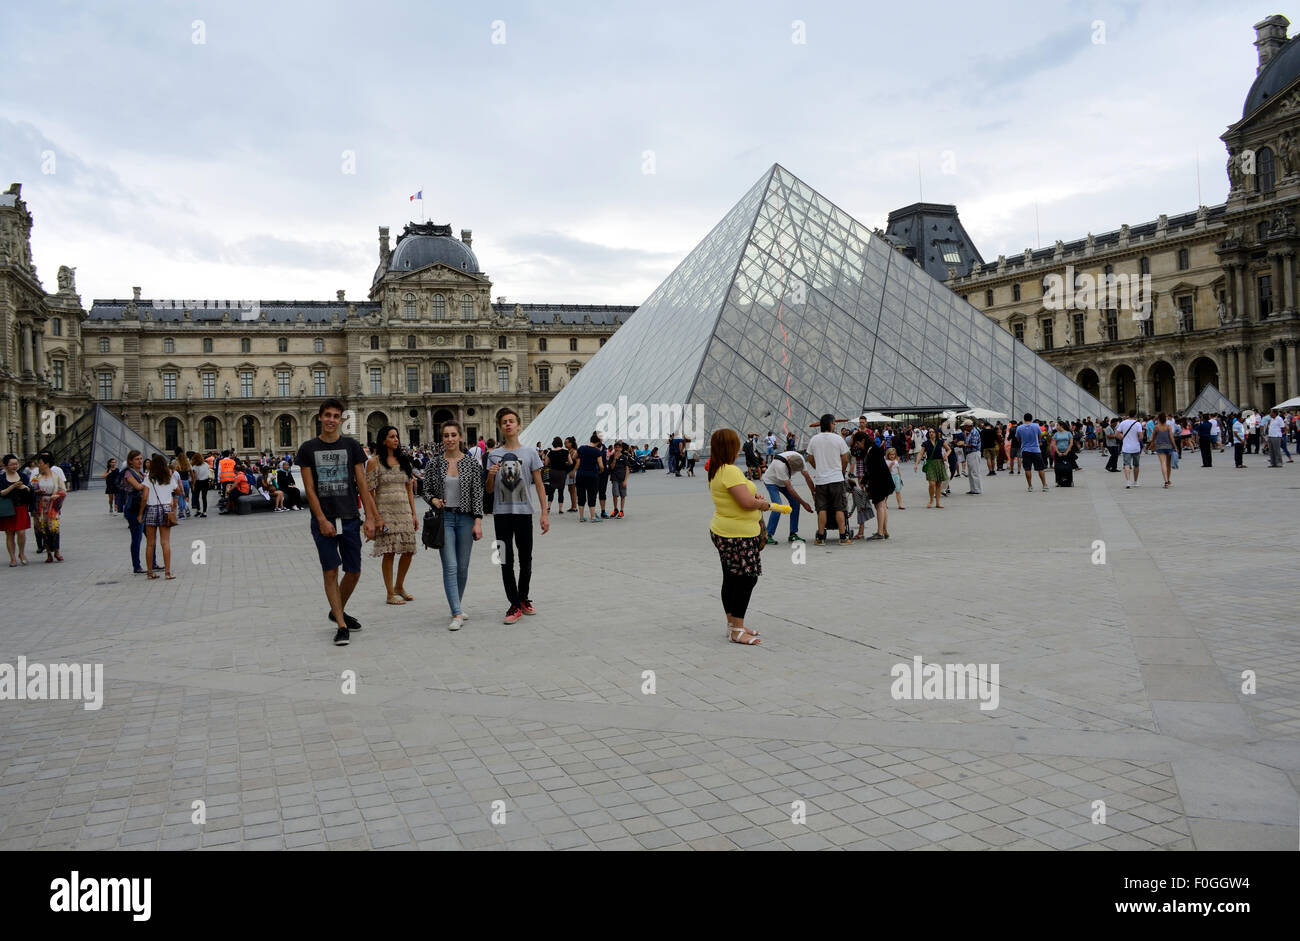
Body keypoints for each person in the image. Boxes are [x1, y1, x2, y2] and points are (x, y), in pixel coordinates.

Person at [297, 399, 379, 646]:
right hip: (325, 519)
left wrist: (371, 518)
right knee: (331, 570)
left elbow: (362, 484)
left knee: (353, 571)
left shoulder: (351, 446)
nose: (332, 420)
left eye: (336, 416)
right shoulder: (307, 449)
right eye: (328, 415)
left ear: (341, 420)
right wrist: (321, 519)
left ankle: (336, 611)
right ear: (320, 417)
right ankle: (341, 625)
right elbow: (309, 489)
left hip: (350, 516)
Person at [707, 428, 769, 646]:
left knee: (731, 578)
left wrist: (753, 496)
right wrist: (763, 504)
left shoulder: (716, 469)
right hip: (738, 534)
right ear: (730, 447)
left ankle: (733, 625)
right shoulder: (731, 470)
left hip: (724, 530)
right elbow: (744, 503)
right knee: (746, 578)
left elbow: (737, 497)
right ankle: (737, 630)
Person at [486, 408, 549, 623]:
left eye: (512, 421)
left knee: (526, 559)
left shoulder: (531, 453)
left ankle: (523, 598)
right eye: (504, 422)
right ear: (500, 427)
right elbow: (489, 490)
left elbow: (539, 485)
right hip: (501, 515)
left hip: (524, 514)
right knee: (504, 559)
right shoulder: (493, 455)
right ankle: (513, 604)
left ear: (519, 425)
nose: (508, 424)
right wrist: (491, 476)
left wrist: (544, 514)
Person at [424, 419, 485, 631]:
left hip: (466, 518)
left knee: (462, 567)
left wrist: (478, 521)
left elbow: (478, 494)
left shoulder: (471, 463)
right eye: (446, 435)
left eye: (453, 435)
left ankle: (456, 605)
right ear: (442, 439)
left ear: (460, 437)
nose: (449, 439)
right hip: (445, 519)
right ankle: (457, 612)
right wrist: (433, 500)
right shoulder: (434, 463)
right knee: (450, 566)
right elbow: (426, 490)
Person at [364, 426, 419, 606]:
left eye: (397, 436)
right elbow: (368, 492)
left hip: (403, 511)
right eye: (392, 436)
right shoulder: (374, 462)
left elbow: (409, 488)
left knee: (409, 549)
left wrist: (414, 514)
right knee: (389, 552)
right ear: (383, 440)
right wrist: (375, 517)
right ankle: (389, 593)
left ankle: (399, 586)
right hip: (385, 512)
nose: (396, 439)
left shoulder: (404, 461)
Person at [807, 413, 851, 546]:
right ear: (831, 424)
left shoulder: (814, 439)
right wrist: (841, 470)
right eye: (834, 423)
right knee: (839, 507)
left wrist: (819, 467)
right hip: (836, 478)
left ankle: (820, 537)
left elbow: (810, 458)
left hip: (821, 480)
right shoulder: (838, 439)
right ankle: (843, 536)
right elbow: (845, 458)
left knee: (822, 508)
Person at [760, 449, 813, 545]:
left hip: (783, 482)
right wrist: (804, 503)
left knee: (795, 504)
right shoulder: (780, 465)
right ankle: (767, 535)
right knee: (778, 506)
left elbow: (808, 477)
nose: (794, 472)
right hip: (771, 482)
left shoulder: (799, 458)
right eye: (793, 470)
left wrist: (814, 494)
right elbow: (790, 488)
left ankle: (793, 533)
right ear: (788, 462)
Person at [138, 452, 178, 579]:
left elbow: (144, 497)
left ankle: (150, 573)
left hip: (151, 509)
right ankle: (167, 572)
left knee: (150, 543)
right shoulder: (168, 477)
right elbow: (177, 490)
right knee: (165, 542)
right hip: (165, 510)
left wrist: (140, 513)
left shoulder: (148, 477)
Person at [861, 436, 895, 539]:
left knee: (880, 506)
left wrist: (865, 481)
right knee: (883, 506)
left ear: (863, 441)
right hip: (883, 481)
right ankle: (883, 530)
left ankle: (880, 532)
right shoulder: (874, 449)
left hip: (878, 482)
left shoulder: (872, 451)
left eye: (858, 444)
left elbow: (872, 469)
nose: (858, 446)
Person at [2, 454, 33, 566]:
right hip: (8, 508)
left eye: (16, 464)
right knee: (9, 533)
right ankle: (12, 558)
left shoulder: (23, 476)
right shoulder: (2, 478)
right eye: (12, 464)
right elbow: (1, 493)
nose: (15, 466)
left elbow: (30, 490)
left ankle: (21, 553)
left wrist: (25, 488)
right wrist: (13, 486)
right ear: (6, 466)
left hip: (21, 507)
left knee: (21, 532)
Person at [914, 428, 950, 508]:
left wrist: (946, 455)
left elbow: (949, 449)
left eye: (933, 432)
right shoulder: (925, 443)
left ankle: (938, 503)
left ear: (936, 433)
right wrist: (916, 464)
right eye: (930, 432)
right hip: (930, 464)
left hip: (939, 463)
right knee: (932, 483)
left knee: (938, 484)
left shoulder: (940, 441)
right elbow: (920, 454)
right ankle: (931, 500)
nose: (931, 433)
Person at [574, 432, 604, 522]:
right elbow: (601, 466)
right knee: (592, 495)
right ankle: (593, 517)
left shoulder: (581, 448)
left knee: (581, 495)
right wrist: (600, 471)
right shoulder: (597, 451)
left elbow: (574, 456)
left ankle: (581, 517)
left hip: (580, 474)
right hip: (592, 475)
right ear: (598, 442)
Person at [1017, 413, 1048, 492]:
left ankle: (1030, 486)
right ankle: (1044, 485)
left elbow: (1018, 438)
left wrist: (1022, 443)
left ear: (1024, 419)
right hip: (1036, 450)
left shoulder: (1019, 428)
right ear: (1031, 419)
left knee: (1027, 469)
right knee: (1040, 468)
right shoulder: (1036, 426)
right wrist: (1039, 441)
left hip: (1025, 450)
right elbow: (1040, 435)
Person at [1115, 409, 1145, 488]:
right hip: (1135, 447)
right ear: (1135, 415)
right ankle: (1135, 481)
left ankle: (1128, 481)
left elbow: (1116, 434)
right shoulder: (1138, 424)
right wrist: (1139, 439)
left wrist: (1122, 437)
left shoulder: (1123, 423)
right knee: (1136, 465)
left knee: (1127, 464)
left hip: (1126, 447)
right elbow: (1141, 437)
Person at [545, 437, 570, 513]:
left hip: (553, 472)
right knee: (561, 491)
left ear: (553, 443)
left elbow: (546, 463)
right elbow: (571, 462)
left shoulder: (550, 452)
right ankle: (560, 509)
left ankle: (548, 507)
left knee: (551, 490)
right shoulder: (566, 452)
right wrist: (565, 463)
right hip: (562, 473)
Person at [607, 441, 631, 518]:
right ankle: (615, 509)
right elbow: (611, 467)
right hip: (615, 478)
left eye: (618, 447)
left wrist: (625, 480)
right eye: (616, 447)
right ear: (614, 448)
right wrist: (614, 459)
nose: (617, 449)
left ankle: (621, 511)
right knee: (615, 494)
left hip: (622, 478)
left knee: (622, 495)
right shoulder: (611, 457)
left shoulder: (624, 457)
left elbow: (627, 469)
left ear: (621, 448)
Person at [961, 420, 983, 494]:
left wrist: (964, 445)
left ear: (969, 426)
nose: (964, 427)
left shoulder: (974, 432)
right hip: (971, 453)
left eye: (965, 426)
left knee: (975, 472)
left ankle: (977, 489)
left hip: (974, 453)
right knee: (971, 473)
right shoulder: (971, 432)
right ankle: (973, 489)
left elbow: (974, 444)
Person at [191, 451, 211, 517]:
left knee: (196, 497)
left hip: (198, 482)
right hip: (205, 481)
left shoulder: (195, 467)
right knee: (204, 497)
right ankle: (204, 512)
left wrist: (193, 484)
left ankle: (198, 510)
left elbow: (194, 477)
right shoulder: (206, 464)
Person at [565, 436, 579, 511]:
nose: (565, 444)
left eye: (566, 443)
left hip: (572, 472)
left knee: (572, 489)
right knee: (570, 489)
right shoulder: (569, 451)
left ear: (571, 443)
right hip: (569, 472)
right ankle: (573, 505)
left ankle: (574, 507)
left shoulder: (574, 451)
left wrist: (574, 471)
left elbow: (577, 462)